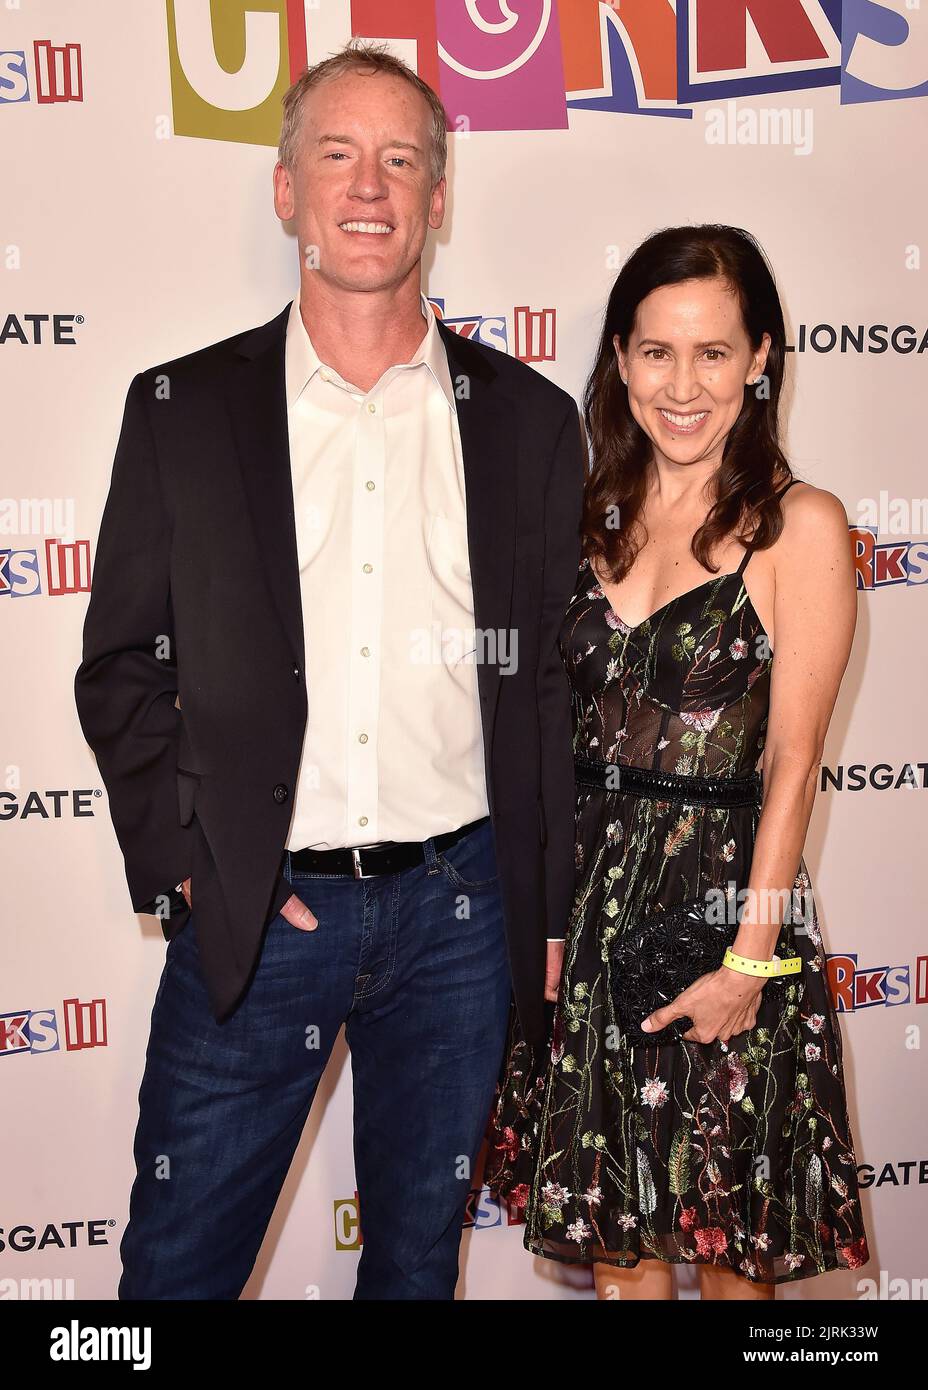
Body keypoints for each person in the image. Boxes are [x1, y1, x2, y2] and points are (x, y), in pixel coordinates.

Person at [74, 39, 584, 1300]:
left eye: (402, 158)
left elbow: (550, 689)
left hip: (461, 918)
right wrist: (192, 863)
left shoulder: (526, 421)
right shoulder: (179, 409)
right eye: (338, 155)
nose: (371, 187)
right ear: (287, 190)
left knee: (414, 1266)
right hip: (261, 917)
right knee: (175, 1276)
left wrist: (551, 903)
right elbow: (121, 667)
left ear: (440, 196)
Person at [486, 224, 870, 1299]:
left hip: (719, 919)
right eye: (656, 351)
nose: (682, 384)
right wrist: (545, 922)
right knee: (619, 1255)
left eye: (712, 353)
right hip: (591, 919)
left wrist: (750, 960)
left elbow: (793, 765)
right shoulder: (581, 516)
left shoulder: (798, 526)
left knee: (725, 1254)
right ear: (619, 358)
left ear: (760, 358)